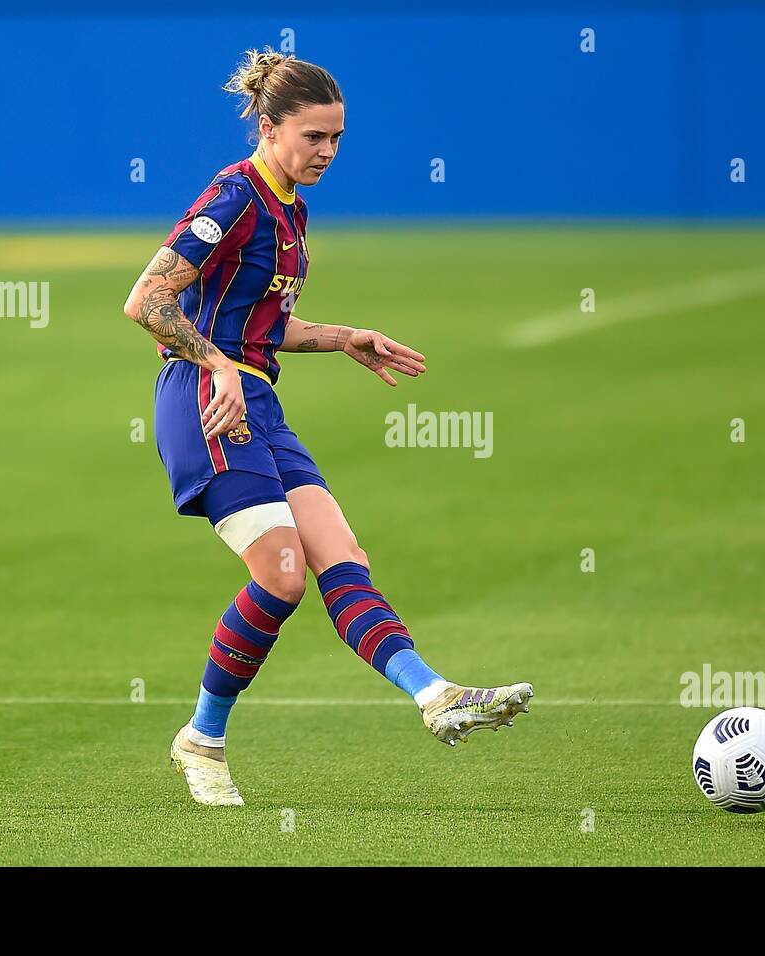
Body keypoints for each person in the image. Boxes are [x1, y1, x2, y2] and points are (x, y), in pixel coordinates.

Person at [122, 50, 532, 806]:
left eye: (338, 138)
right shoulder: (234, 195)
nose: (328, 152)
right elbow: (146, 300)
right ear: (271, 128)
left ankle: (434, 693)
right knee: (280, 574)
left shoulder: (290, 209)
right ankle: (201, 741)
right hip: (205, 401)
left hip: (256, 400)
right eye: (314, 137)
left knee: (340, 553)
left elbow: (259, 327)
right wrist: (215, 366)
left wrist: (341, 336)